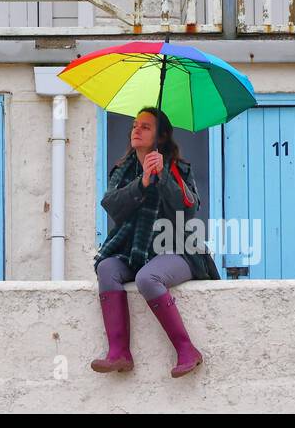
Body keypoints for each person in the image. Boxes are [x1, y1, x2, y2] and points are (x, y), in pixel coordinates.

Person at [90, 106, 220, 377]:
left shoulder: (179, 169)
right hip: (133, 250)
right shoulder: (122, 170)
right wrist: (143, 181)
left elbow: (188, 208)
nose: (136, 129)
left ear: (160, 137)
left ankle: (187, 350)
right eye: (135, 125)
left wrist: (163, 177)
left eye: (146, 126)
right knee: (107, 269)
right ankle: (119, 353)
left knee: (148, 279)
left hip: (178, 250)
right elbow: (112, 205)